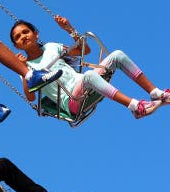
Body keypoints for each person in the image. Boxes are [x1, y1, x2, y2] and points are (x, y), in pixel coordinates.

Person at [11, 15, 169, 119]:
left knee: (117, 55)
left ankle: (155, 93)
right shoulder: (26, 67)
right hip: (71, 100)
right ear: (17, 46)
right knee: (88, 76)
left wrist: (69, 29)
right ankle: (134, 106)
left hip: (85, 83)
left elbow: (85, 51)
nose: (23, 37)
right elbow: (31, 97)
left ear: (35, 34)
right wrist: (23, 69)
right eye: (18, 37)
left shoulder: (52, 47)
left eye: (25, 32)